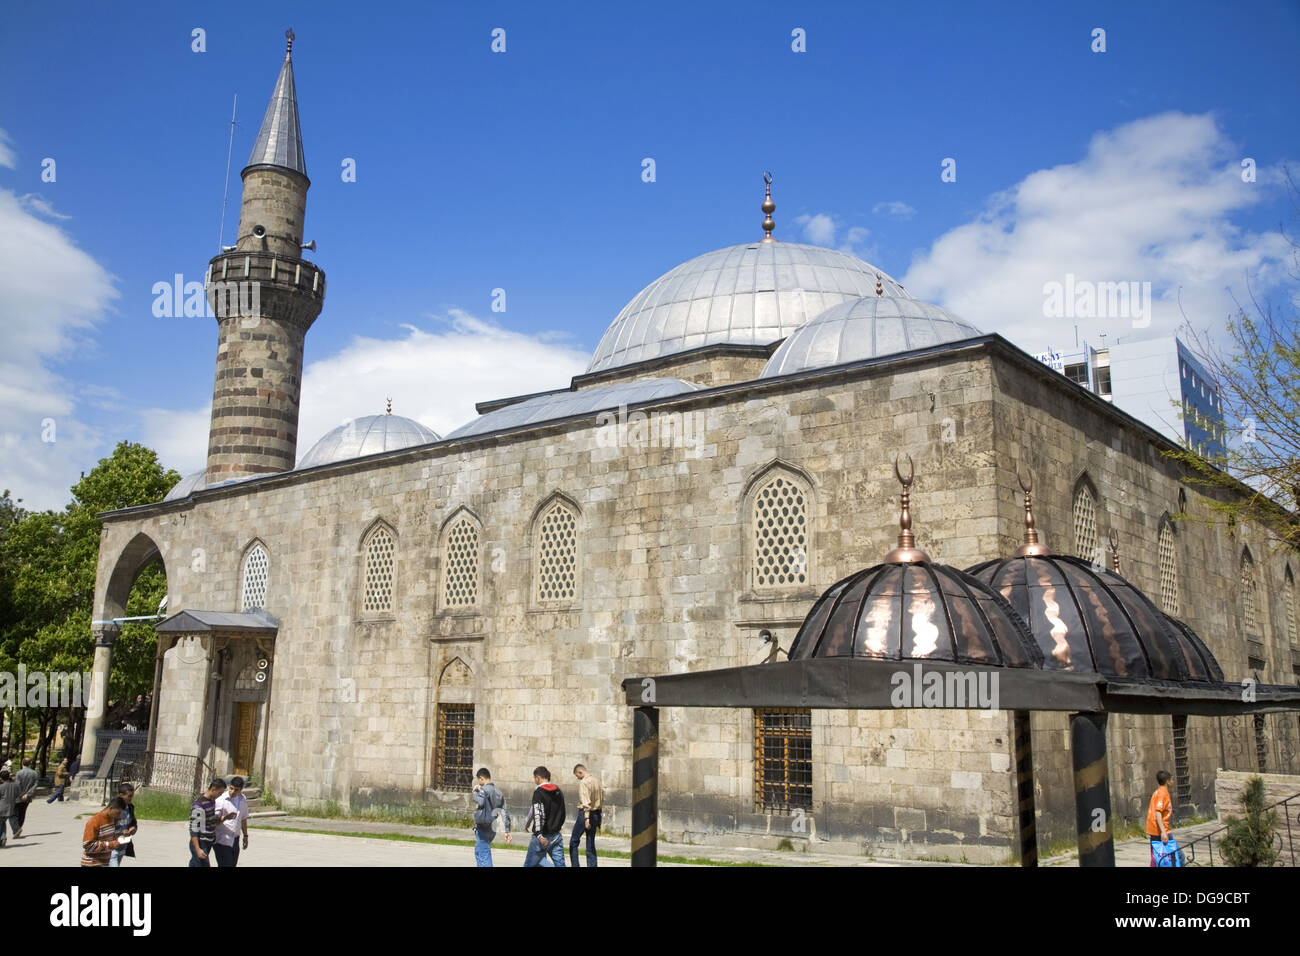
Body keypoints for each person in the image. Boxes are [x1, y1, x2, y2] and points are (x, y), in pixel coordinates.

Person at [523, 765, 566, 867]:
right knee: (556, 863)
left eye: (535, 778)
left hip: (542, 836)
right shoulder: (558, 791)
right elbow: (563, 812)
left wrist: (538, 833)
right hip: (556, 834)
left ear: (537, 778)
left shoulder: (539, 792)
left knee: (529, 864)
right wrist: (558, 826)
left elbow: (536, 813)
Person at [471, 767, 512, 866]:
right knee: (481, 852)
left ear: (481, 778)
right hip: (492, 828)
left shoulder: (483, 790)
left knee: (483, 855)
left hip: (483, 827)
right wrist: (507, 831)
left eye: (478, 780)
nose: (478, 782)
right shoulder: (498, 792)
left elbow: (480, 801)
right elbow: (504, 812)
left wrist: (475, 792)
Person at [569, 763, 603, 868]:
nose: (578, 778)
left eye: (577, 776)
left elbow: (585, 802)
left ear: (580, 772)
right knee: (590, 842)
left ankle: (575, 865)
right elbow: (601, 799)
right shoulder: (597, 781)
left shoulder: (584, 783)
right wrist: (599, 816)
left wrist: (586, 818)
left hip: (585, 814)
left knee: (574, 841)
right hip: (596, 813)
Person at [189, 778, 228, 867]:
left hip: (208, 841)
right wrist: (198, 849)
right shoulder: (198, 806)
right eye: (219, 793)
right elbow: (193, 829)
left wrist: (225, 817)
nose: (220, 795)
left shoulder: (212, 801)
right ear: (213, 789)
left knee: (194, 864)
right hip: (200, 842)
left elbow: (211, 821)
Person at [213, 776, 250, 867]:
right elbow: (213, 821)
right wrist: (225, 818)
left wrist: (245, 835)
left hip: (235, 839)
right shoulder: (221, 799)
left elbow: (243, 818)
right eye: (231, 788)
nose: (232, 792)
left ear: (241, 790)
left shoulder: (242, 799)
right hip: (222, 839)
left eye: (236, 790)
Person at [82, 797, 127, 866]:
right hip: (92, 863)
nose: (119, 816)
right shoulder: (94, 821)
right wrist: (110, 845)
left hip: (104, 862)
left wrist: (119, 839)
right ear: (111, 808)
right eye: (118, 813)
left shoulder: (112, 819)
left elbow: (108, 838)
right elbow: (87, 845)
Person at [1146, 769, 1174, 867]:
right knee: (1178, 856)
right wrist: (1163, 832)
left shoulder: (1158, 792)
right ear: (1167, 781)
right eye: (1172, 780)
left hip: (1155, 829)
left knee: (1157, 858)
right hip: (1160, 830)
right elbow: (1158, 812)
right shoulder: (1163, 793)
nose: (1173, 782)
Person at [109, 783, 138, 867]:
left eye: (132, 796)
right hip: (112, 846)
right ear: (121, 795)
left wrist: (133, 828)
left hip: (122, 845)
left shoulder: (130, 807)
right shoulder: (113, 808)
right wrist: (121, 832)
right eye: (129, 796)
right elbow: (106, 825)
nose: (131, 798)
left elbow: (133, 822)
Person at [13, 757, 38, 837]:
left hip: (18, 797)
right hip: (27, 797)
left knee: (15, 813)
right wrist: (27, 794)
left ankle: (16, 829)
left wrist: (21, 794)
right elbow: (35, 785)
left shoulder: (19, 773)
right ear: (30, 763)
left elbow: (17, 785)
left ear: (22, 763)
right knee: (22, 813)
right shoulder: (34, 773)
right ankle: (19, 828)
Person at [0, 769, 17, 848]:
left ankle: (2, 838)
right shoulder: (15, 785)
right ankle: (3, 838)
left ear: (1, 778)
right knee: (2, 823)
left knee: (1, 824)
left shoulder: (1, 787)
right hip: (11, 808)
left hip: (1, 808)